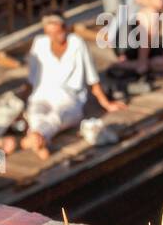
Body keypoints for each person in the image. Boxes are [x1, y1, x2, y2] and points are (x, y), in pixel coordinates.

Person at [20, 13, 124, 158]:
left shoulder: (77, 43)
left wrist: (105, 103)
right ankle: (39, 139)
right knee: (35, 112)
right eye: (50, 33)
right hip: (42, 95)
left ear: (66, 28)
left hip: (69, 98)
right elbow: (31, 80)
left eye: (58, 32)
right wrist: (21, 101)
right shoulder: (39, 43)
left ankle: (36, 136)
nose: (55, 36)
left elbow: (92, 77)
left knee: (57, 116)